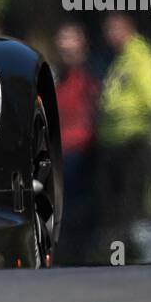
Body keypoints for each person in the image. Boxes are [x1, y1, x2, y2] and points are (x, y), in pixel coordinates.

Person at [95, 11, 151, 253]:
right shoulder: (119, 58)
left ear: (127, 28)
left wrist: (121, 112)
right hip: (112, 141)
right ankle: (115, 251)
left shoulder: (140, 56)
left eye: (113, 29)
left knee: (129, 202)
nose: (108, 35)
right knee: (110, 202)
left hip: (133, 139)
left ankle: (129, 251)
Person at [52, 22, 99, 262]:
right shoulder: (57, 75)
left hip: (82, 151)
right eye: (63, 39)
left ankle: (82, 253)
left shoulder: (92, 73)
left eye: (71, 39)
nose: (66, 45)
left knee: (78, 206)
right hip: (59, 150)